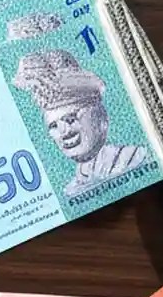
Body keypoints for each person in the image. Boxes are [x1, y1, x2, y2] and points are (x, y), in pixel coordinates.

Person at [12, 49, 147, 197]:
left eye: (70, 119)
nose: (64, 132)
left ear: (101, 117)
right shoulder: (71, 190)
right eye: (54, 126)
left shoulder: (137, 158)